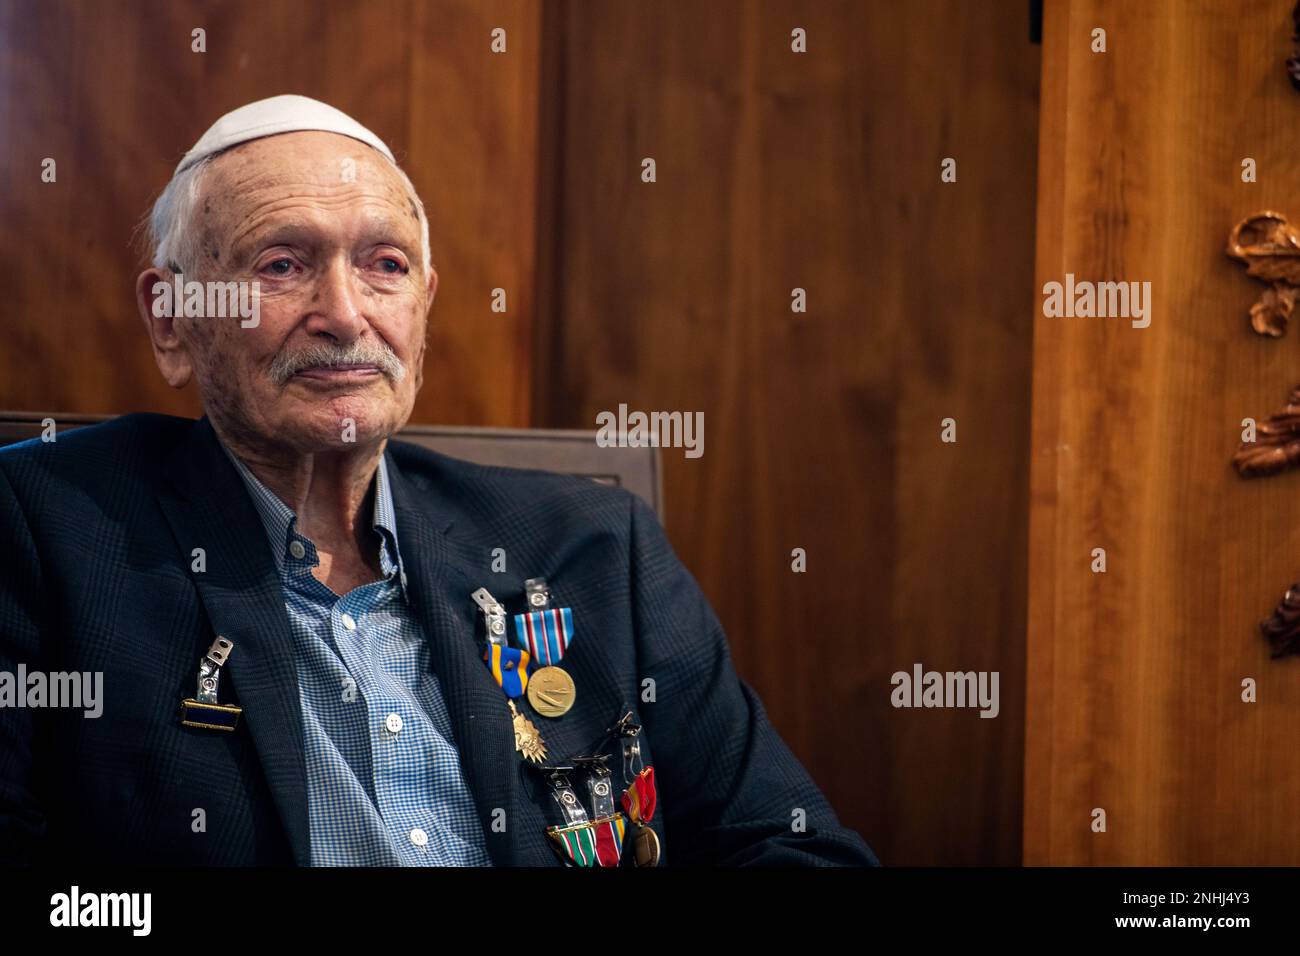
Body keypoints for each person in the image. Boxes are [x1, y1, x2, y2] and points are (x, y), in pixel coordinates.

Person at [0, 95, 878, 867]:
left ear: (422, 307)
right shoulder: (48, 528)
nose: (345, 314)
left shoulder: (592, 545)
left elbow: (786, 842)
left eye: (385, 264)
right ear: (172, 319)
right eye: (281, 264)